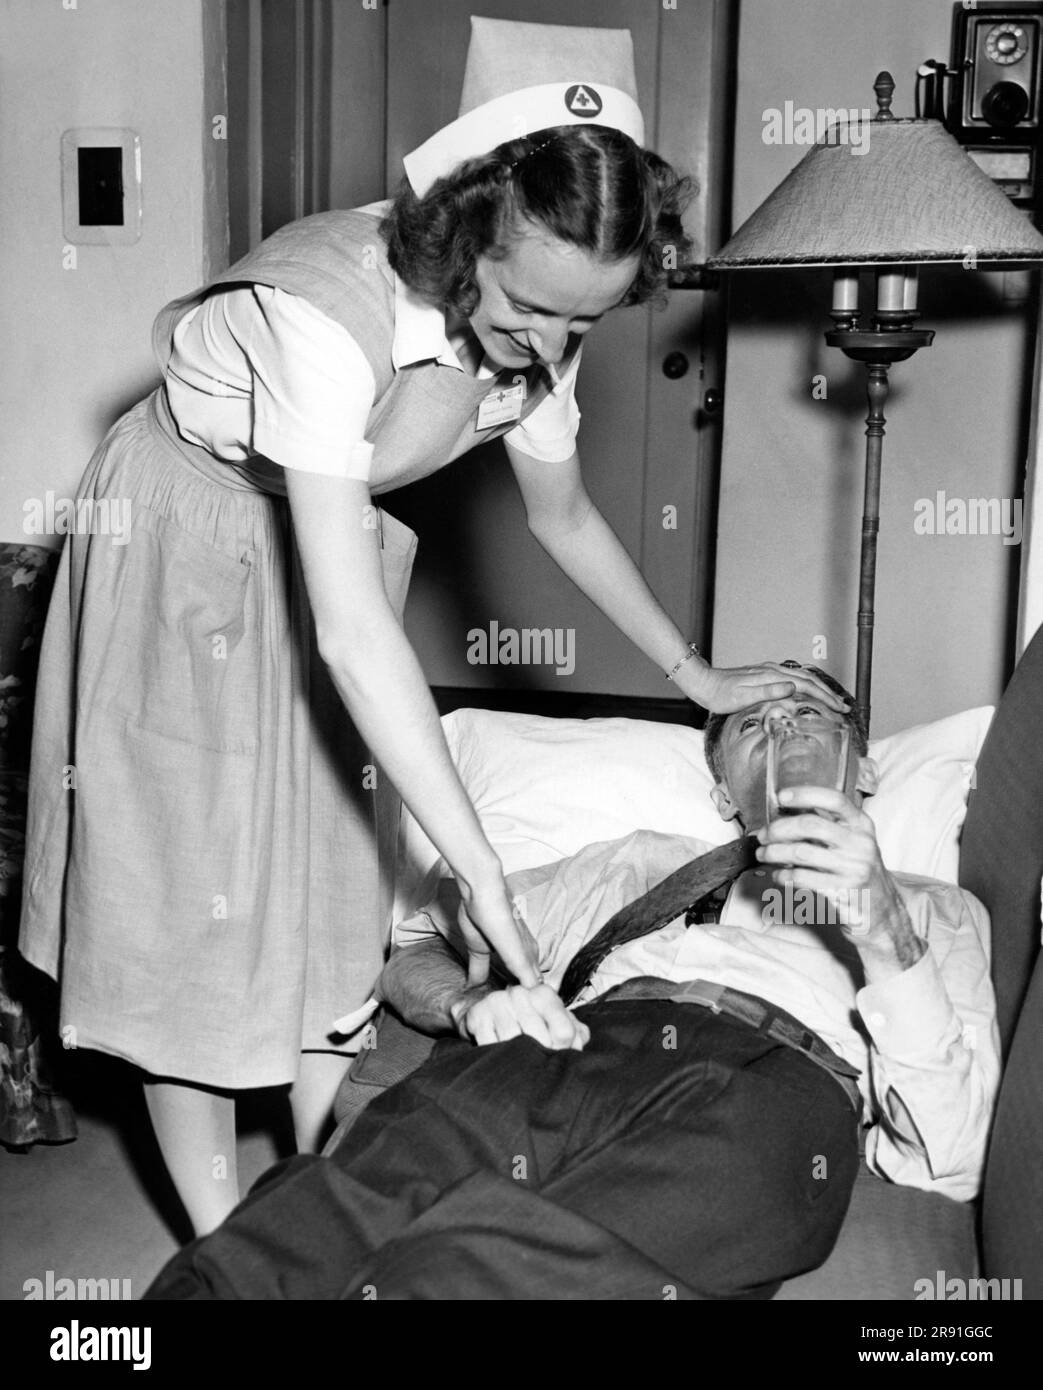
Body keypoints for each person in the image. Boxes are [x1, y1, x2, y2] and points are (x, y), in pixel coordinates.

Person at [19, 17, 850, 1236]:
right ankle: (223, 1240)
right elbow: (359, 644)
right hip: (186, 541)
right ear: (465, 231)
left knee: (337, 865)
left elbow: (562, 516)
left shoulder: (537, 329)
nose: (556, 351)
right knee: (185, 888)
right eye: (534, 311)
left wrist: (696, 672)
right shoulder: (320, 306)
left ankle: (304, 1178)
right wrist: (489, 891)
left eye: (588, 322)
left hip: (326, 536)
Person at [143, 663, 999, 1300]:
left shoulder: (938, 913)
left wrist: (884, 935)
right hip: (573, 1041)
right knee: (324, 1210)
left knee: (504, 1269)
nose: (778, 732)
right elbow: (413, 949)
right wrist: (474, 1002)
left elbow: (949, 1159)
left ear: (870, 767)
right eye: (750, 725)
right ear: (718, 788)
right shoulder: (637, 862)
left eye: (806, 713)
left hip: (781, 1085)